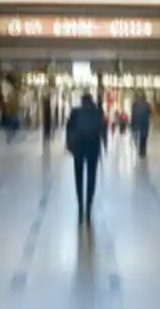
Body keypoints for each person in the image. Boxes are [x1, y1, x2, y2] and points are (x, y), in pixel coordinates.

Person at [66, 93, 108, 225]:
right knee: (91, 178)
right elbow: (103, 129)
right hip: (93, 148)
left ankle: (80, 206)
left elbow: (69, 129)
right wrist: (105, 144)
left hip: (78, 149)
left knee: (78, 178)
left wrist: (69, 145)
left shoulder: (75, 112)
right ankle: (88, 207)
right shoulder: (97, 112)